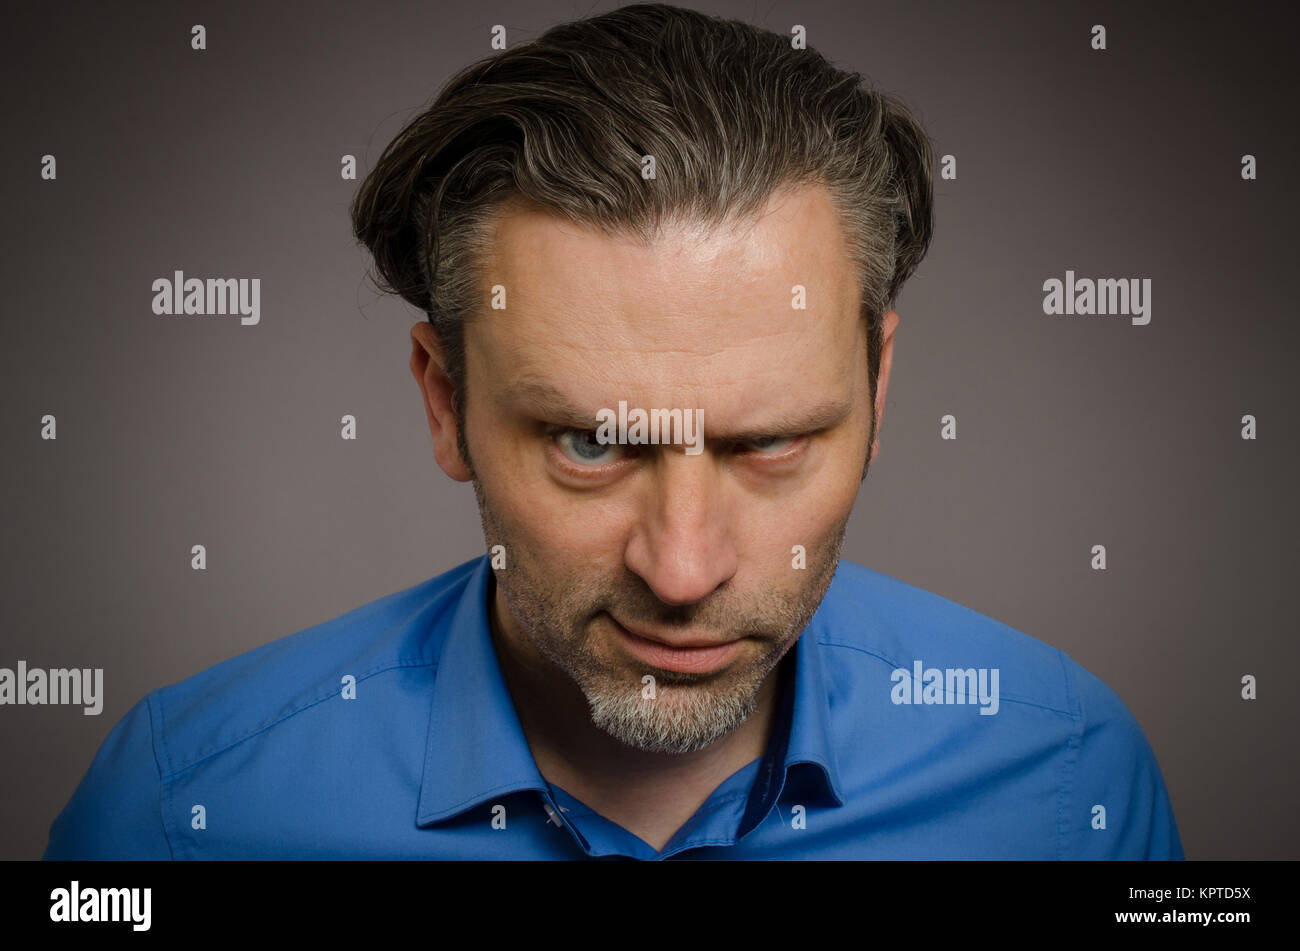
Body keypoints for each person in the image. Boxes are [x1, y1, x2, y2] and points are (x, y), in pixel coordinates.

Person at [44, 2, 1182, 860]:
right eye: (591, 444)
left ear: (878, 390)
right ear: (443, 400)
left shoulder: (1067, 777)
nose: (683, 570)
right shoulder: (181, 812)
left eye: (767, 442)